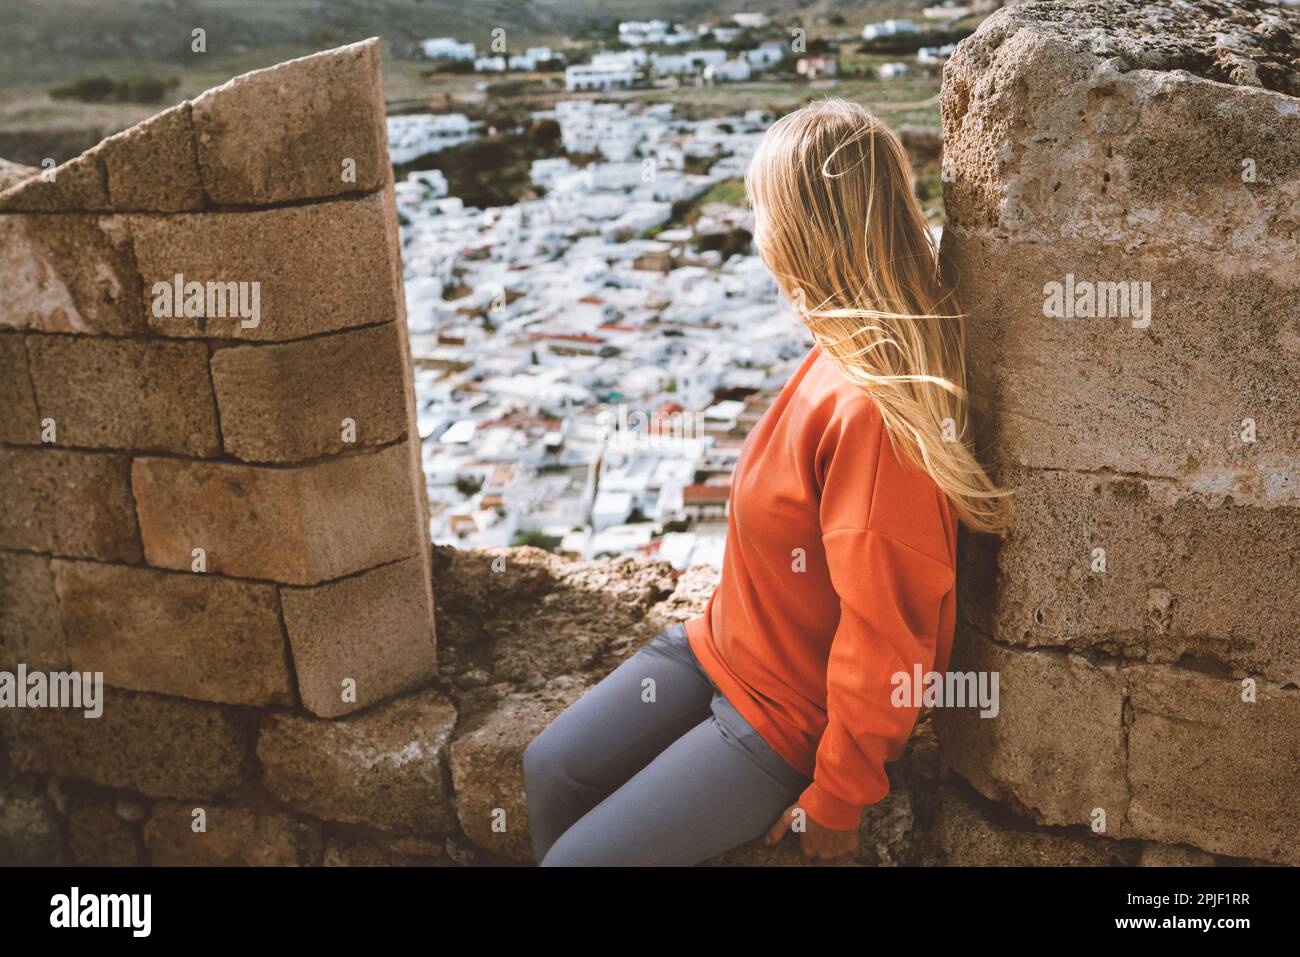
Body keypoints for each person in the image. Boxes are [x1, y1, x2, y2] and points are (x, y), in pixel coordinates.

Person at [523, 98, 1009, 866]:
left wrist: (840, 796)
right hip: (720, 645)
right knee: (549, 768)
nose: (755, 234)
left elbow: (888, 633)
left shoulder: (871, 415)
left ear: (802, 232)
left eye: (762, 211)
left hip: (782, 716)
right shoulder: (837, 347)